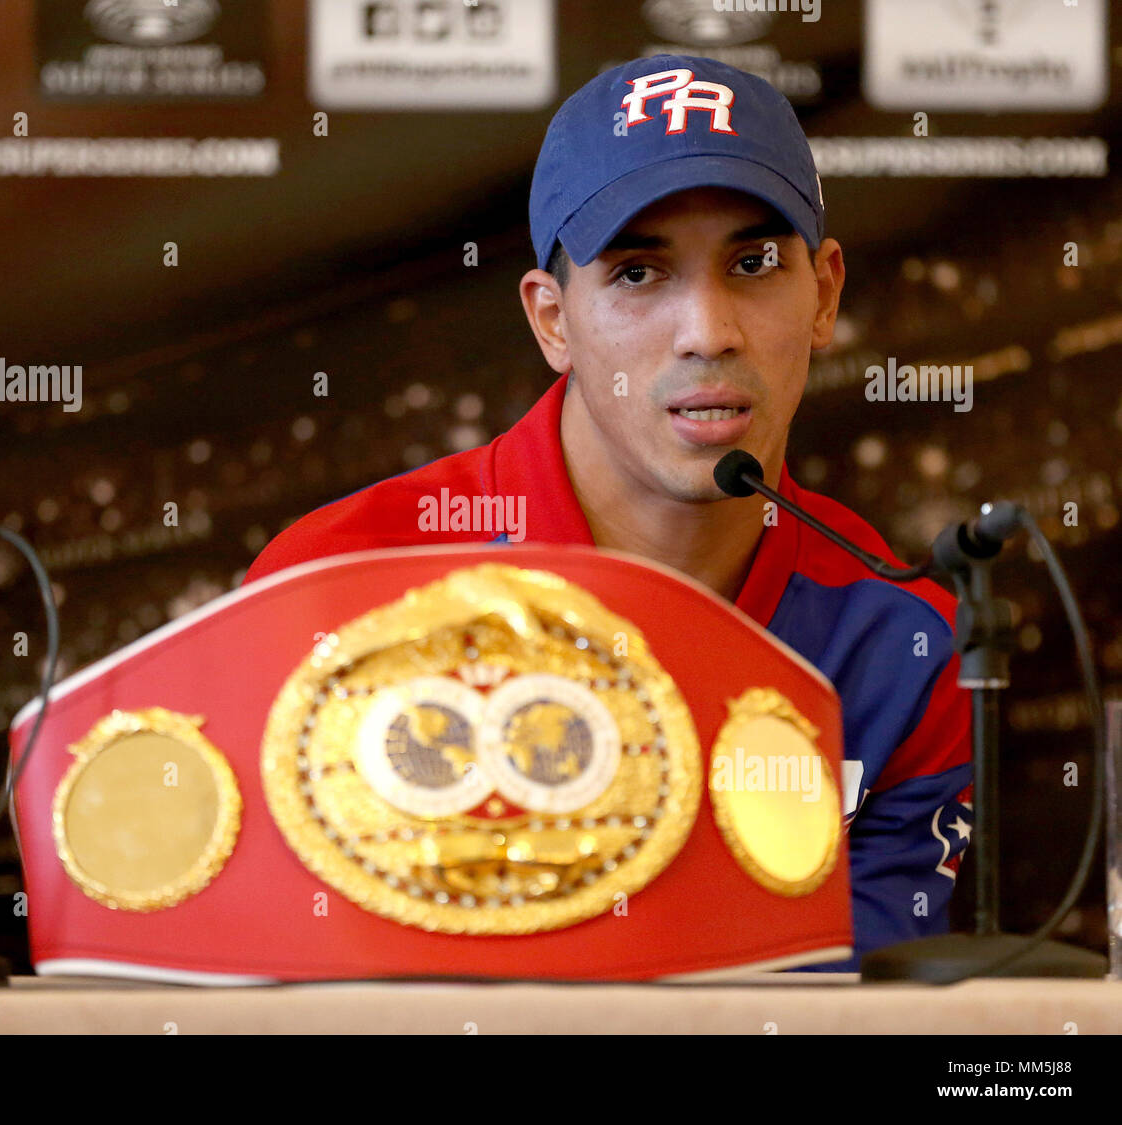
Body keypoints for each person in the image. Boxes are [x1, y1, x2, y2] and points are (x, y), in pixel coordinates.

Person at [244, 55, 973, 971]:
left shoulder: (905, 642)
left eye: (753, 263)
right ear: (553, 321)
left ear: (824, 294)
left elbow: (867, 1017)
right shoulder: (334, 585)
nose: (708, 330)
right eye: (638, 274)